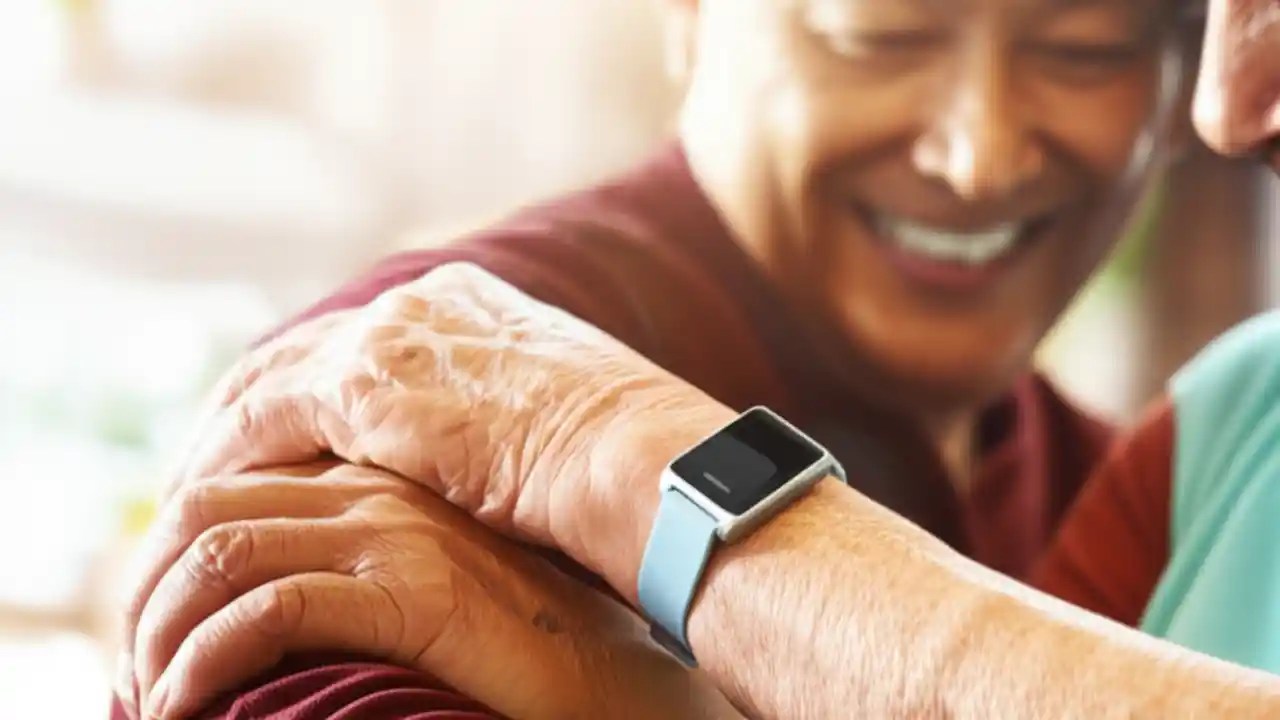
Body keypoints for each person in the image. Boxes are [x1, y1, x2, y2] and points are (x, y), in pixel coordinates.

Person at [111, 0, 1280, 717]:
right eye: (873, 33)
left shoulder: (1146, 477)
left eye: (1084, 51)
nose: (975, 154)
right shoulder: (426, 389)